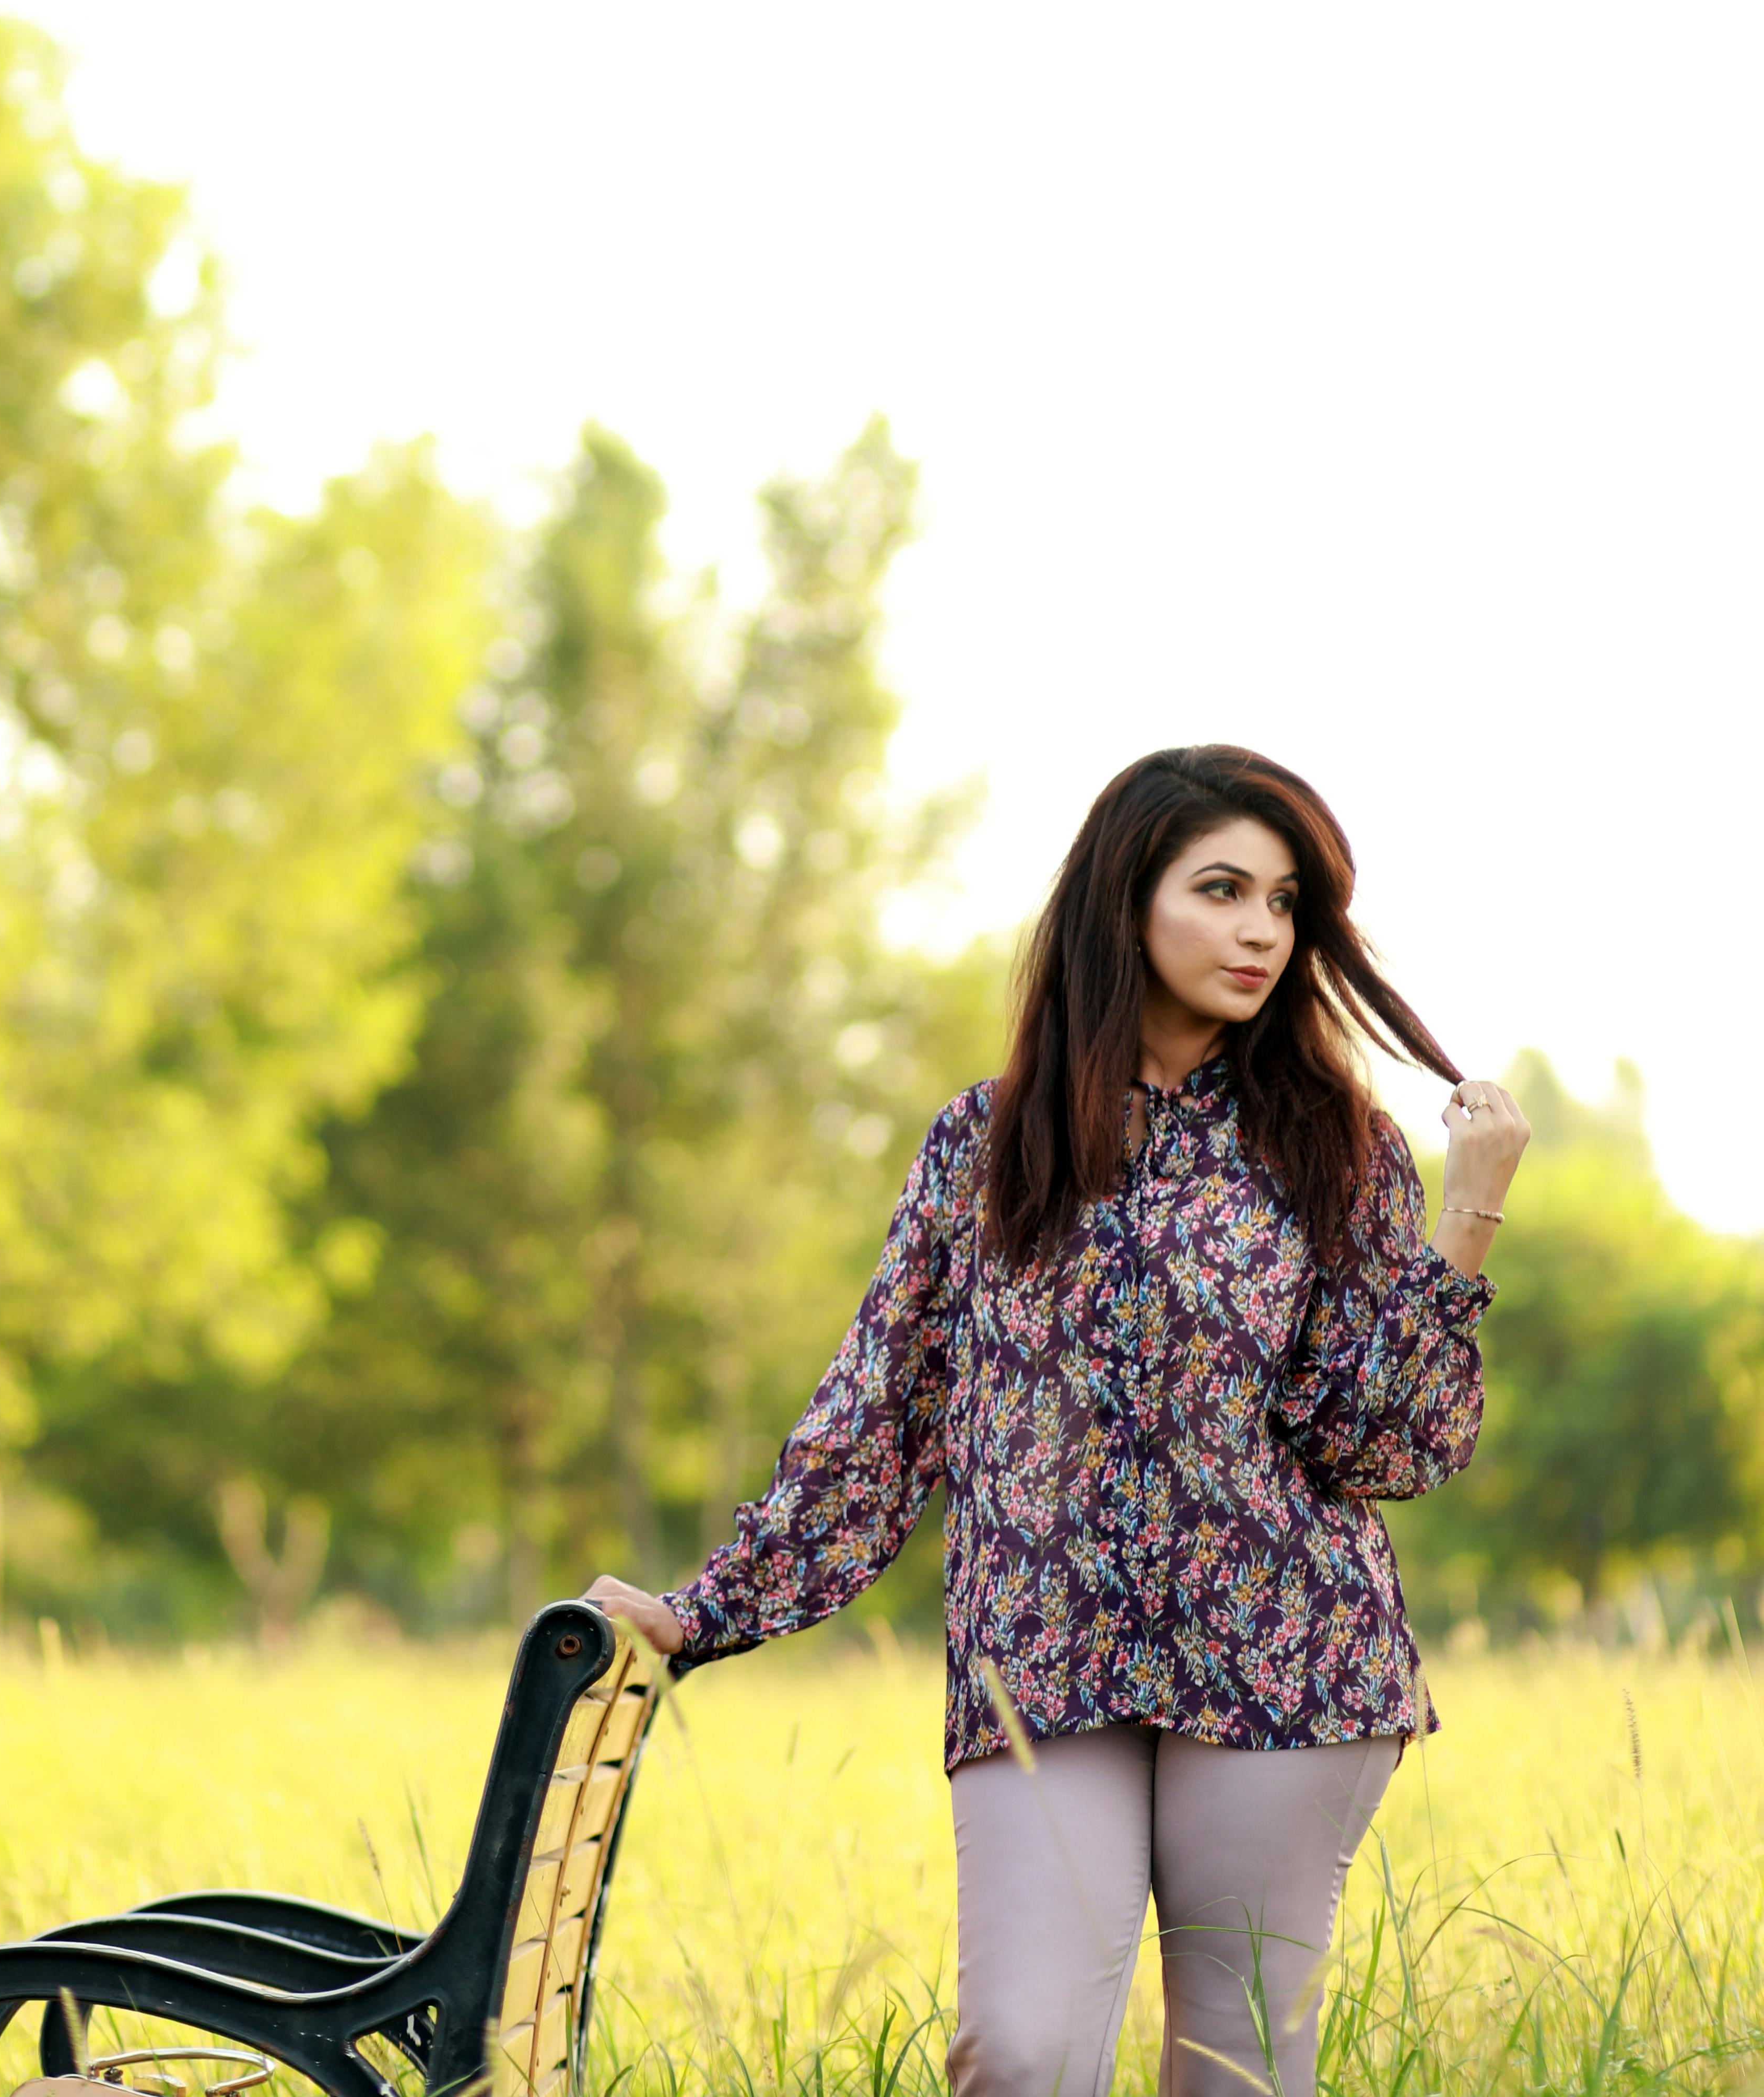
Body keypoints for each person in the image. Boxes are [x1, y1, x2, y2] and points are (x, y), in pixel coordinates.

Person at [588, 742, 1530, 2097]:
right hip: (1045, 1658)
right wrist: (710, 1610)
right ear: (1124, 899)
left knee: (1237, 2073)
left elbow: (1383, 1445)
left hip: (1288, 1663)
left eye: (1286, 904)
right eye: (1222, 889)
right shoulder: (990, 1144)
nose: (1261, 931)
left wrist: (1465, 1218)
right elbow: (880, 1420)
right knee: (1021, 2054)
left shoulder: (1339, 1149)